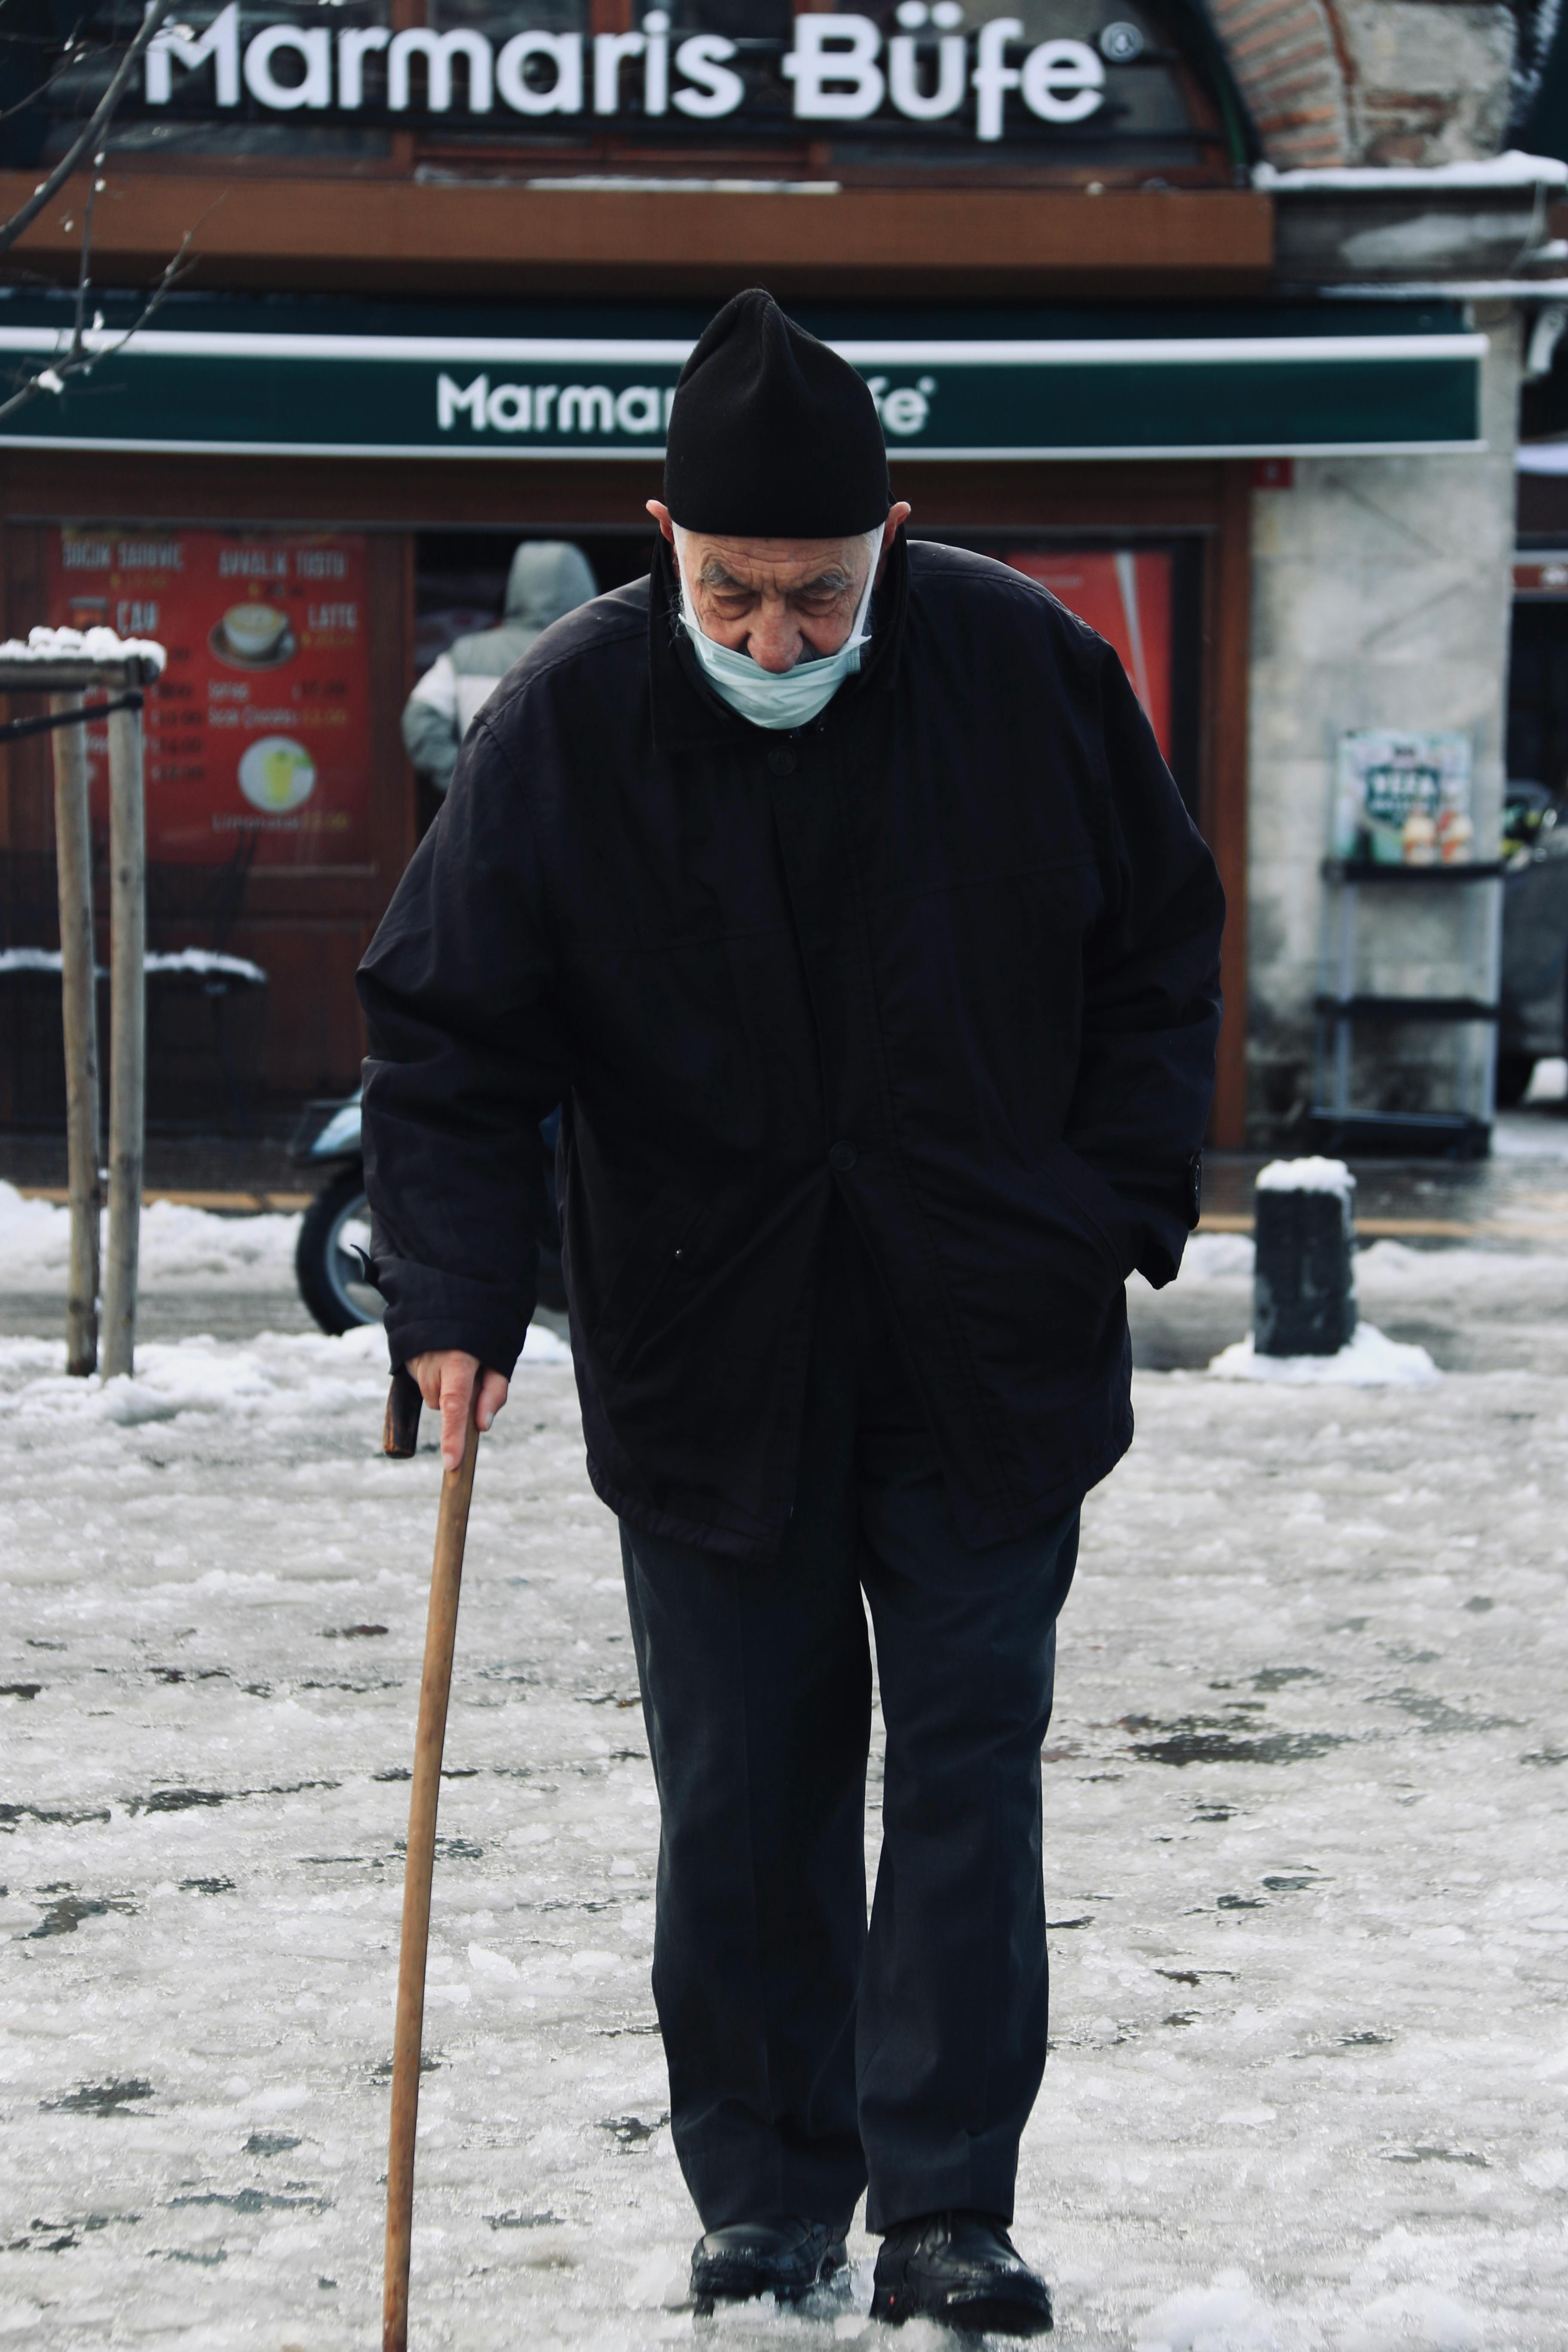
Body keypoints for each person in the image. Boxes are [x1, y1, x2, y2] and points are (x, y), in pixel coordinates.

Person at [359, 289, 1224, 2336]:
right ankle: (765, 2192)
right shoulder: (567, 715)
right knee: (741, 1785)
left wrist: (1098, 1206)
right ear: (661, 531)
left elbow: (1157, 949)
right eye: (730, 594)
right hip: (703, 1340)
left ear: (893, 538)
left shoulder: (1024, 669)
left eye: (816, 597)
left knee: (961, 1769)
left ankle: (944, 2200)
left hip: (980, 1338)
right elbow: (447, 1031)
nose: (769, 638)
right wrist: (454, 1292)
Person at [400, 539, 597, 795]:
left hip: (489, 820)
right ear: (582, 585)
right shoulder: (602, 653)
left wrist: (464, 781)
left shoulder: (467, 655)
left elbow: (419, 720)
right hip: (576, 823)